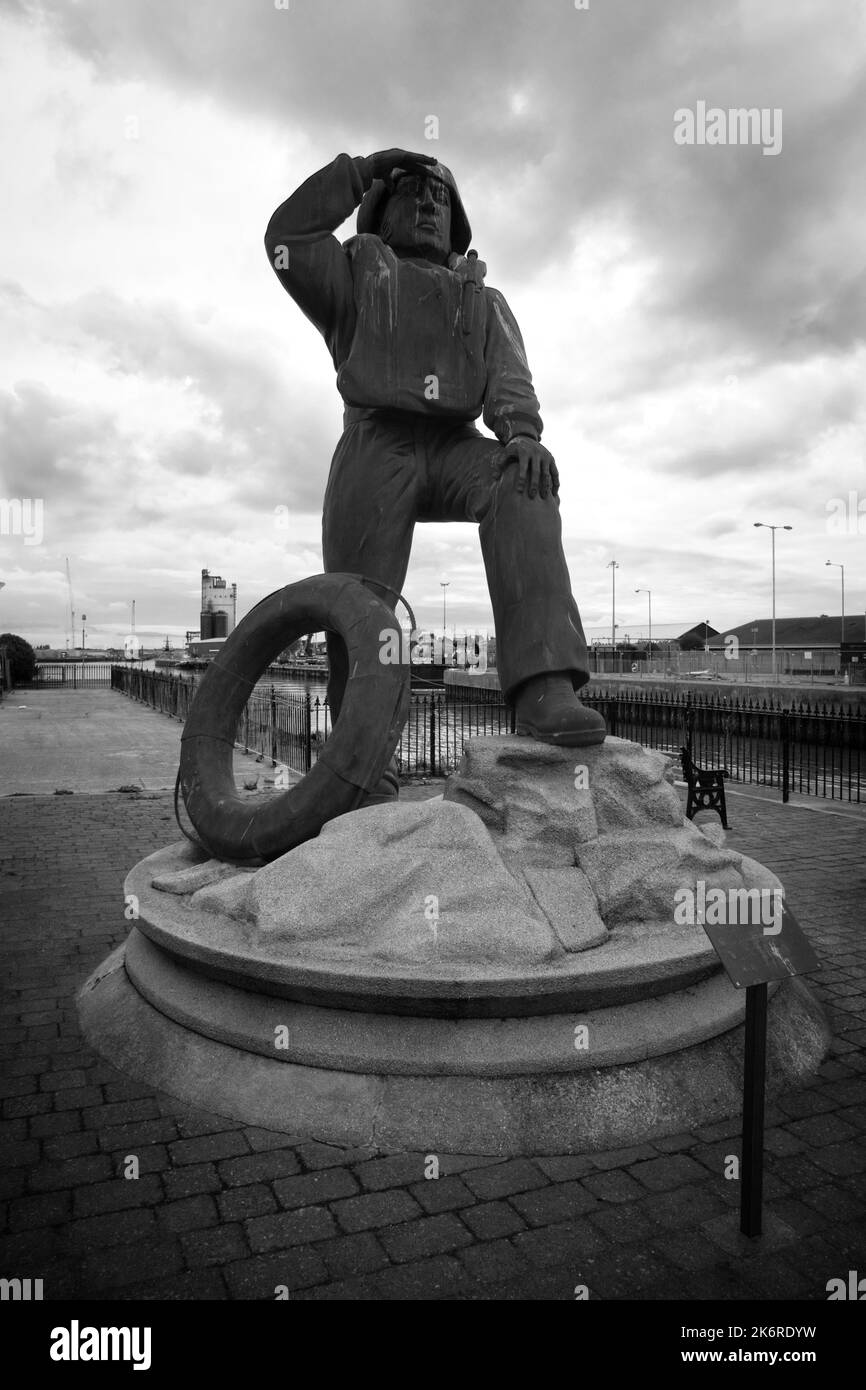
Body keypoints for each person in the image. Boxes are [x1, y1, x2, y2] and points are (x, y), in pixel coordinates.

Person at [265, 147, 605, 797]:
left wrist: (523, 434)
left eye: (440, 198)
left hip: (457, 445)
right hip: (374, 443)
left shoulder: (485, 298)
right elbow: (286, 236)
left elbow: (509, 378)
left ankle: (544, 686)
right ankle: (362, 754)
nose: (427, 204)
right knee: (361, 601)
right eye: (412, 193)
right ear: (378, 215)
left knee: (522, 481)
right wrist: (364, 168)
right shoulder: (350, 275)